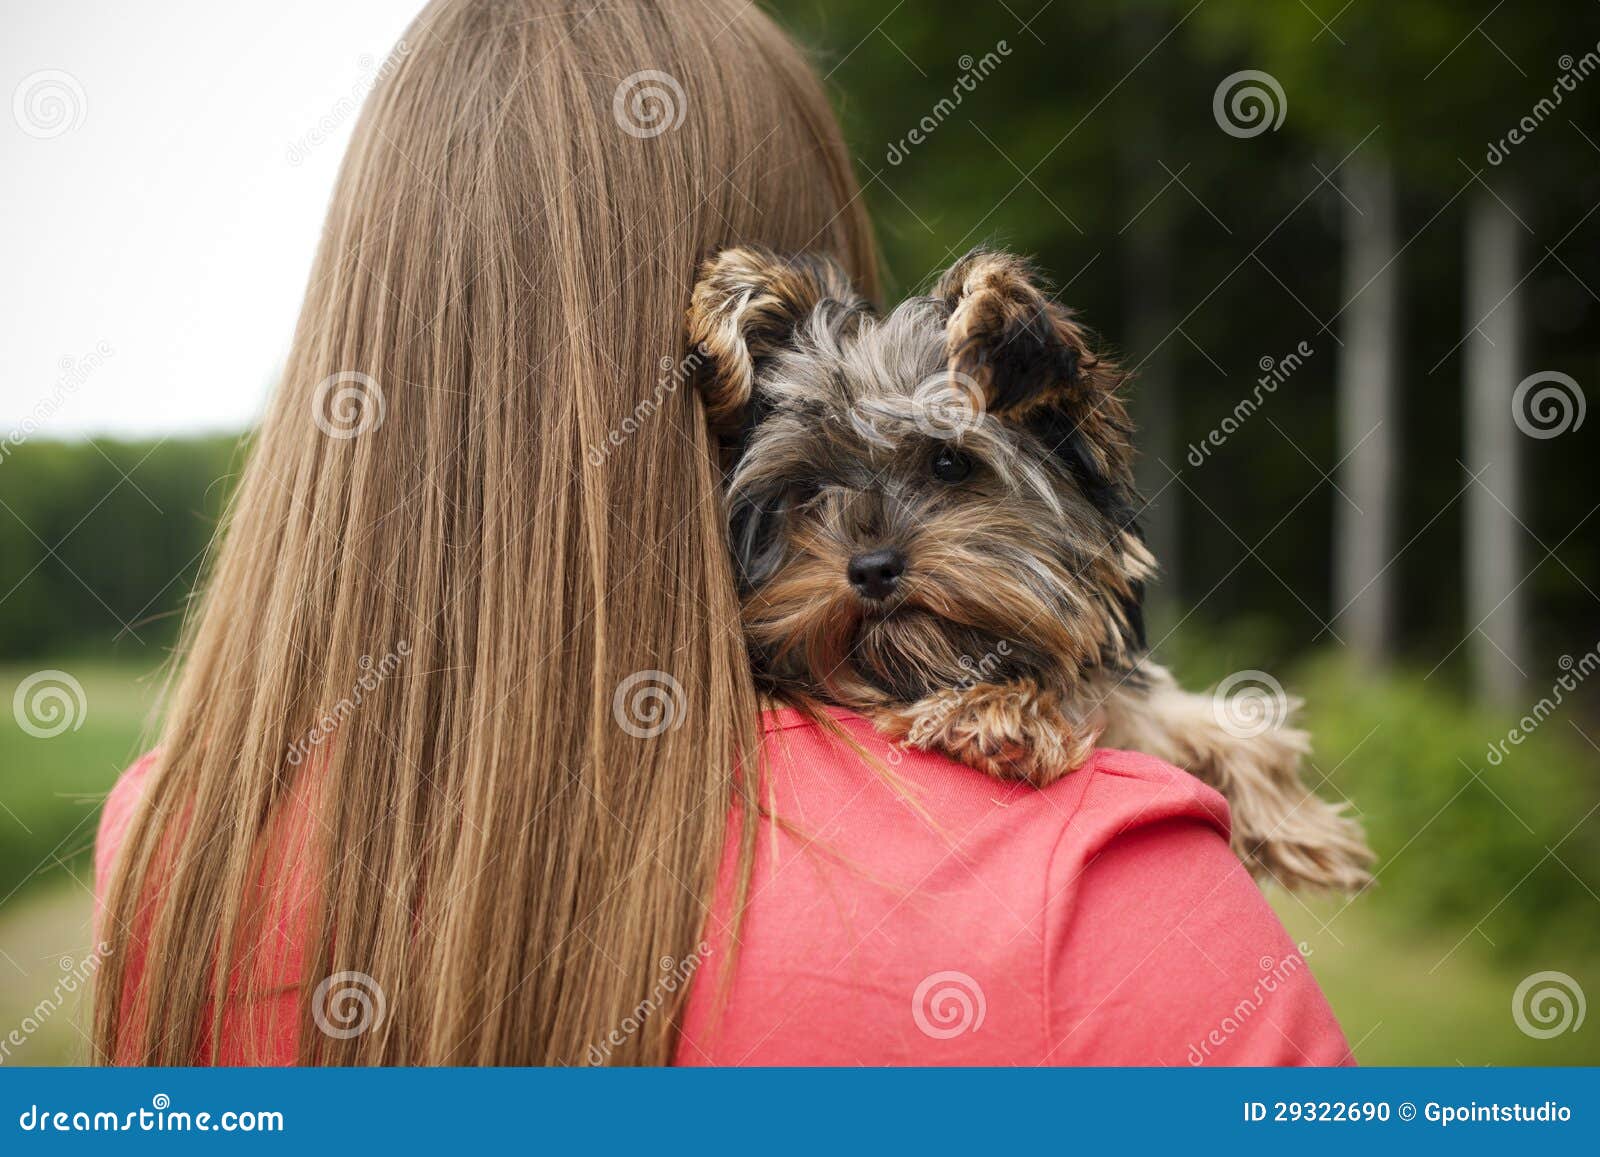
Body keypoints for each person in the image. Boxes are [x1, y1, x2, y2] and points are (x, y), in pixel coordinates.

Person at [93, 0, 1350, 1067]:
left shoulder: (175, 846)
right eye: (804, 499)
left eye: (939, 475)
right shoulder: (1105, 887)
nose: (866, 548)